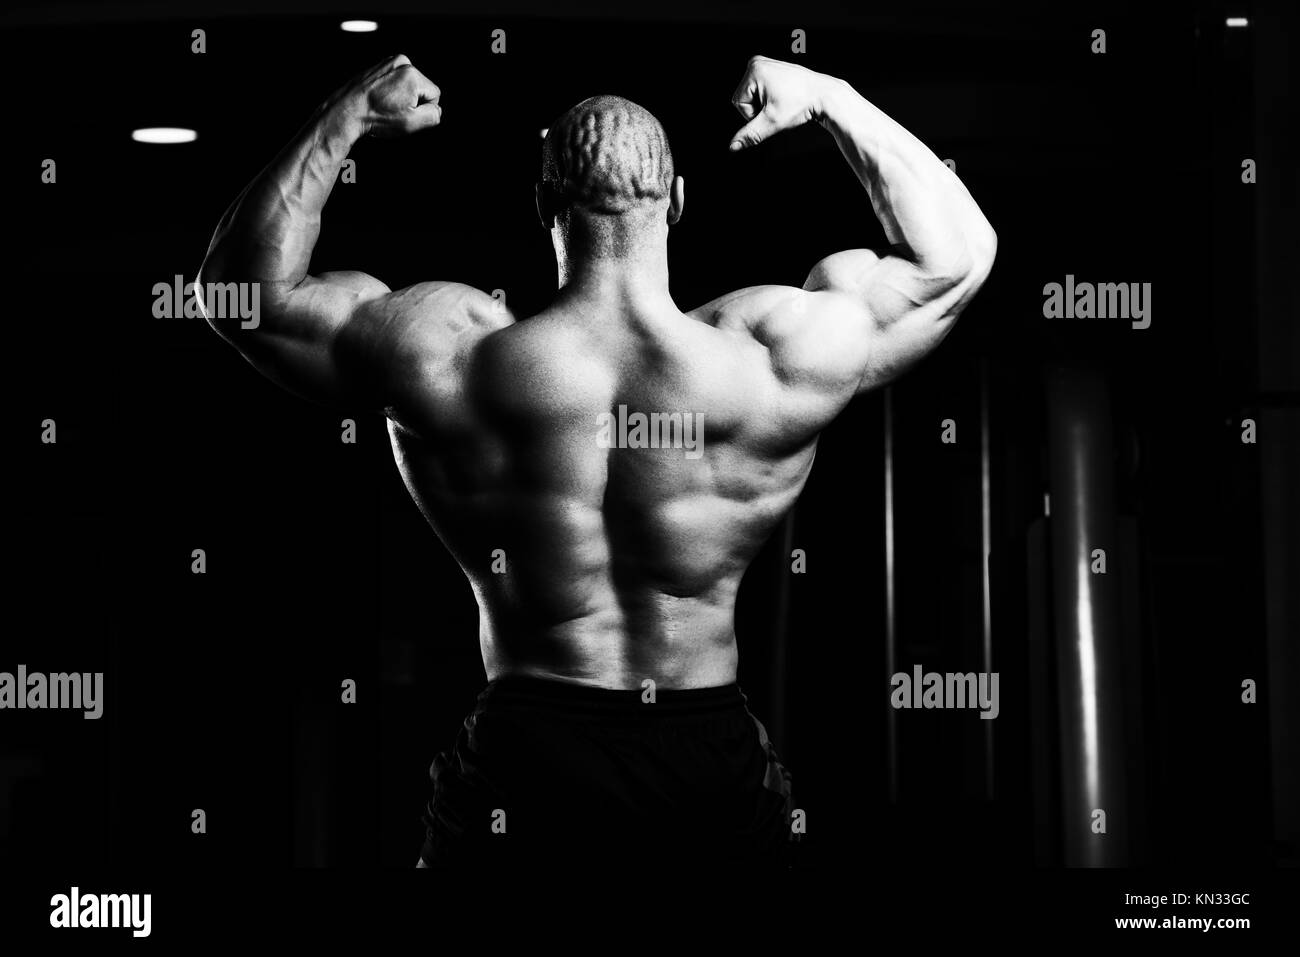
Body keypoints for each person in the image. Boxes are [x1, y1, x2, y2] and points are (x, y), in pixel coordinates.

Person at [198, 53, 996, 868]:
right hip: (707, 762)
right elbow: (959, 259)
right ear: (678, 201)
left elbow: (240, 295)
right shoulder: (770, 357)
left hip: (527, 759)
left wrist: (348, 115)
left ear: (543, 200)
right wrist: (831, 98)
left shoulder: (448, 355)